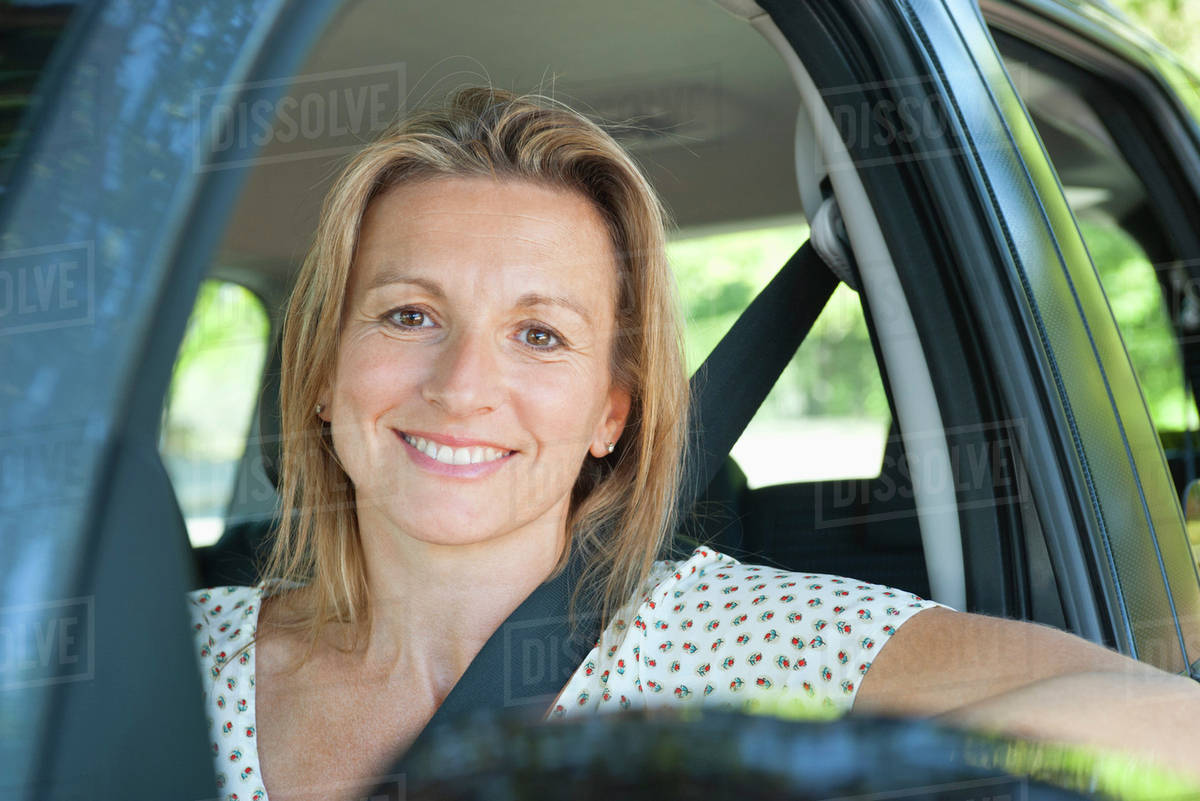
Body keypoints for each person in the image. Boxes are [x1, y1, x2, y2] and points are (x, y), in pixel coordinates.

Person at [187, 87, 1200, 801]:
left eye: (540, 335)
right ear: (320, 371)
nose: (460, 388)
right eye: (409, 315)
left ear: (610, 415)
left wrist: (740, 763)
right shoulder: (178, 655)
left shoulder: (739, 646)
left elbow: (1169, 725)